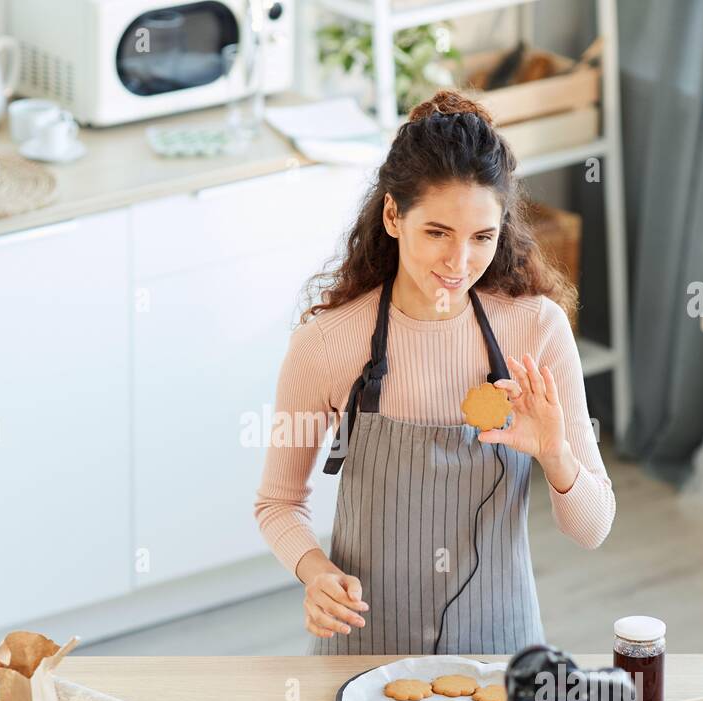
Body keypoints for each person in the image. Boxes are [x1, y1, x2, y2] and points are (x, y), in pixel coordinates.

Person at [254, 90, 615, 655]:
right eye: (437, 233)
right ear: (394, 216)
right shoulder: (326, 344)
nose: (459, 263)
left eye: (482, 238)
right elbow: (278, 503)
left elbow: (592, 529)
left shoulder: (536, 331)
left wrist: (556, 454)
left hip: (500, 655)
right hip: (363, 650)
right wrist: (315, 572)